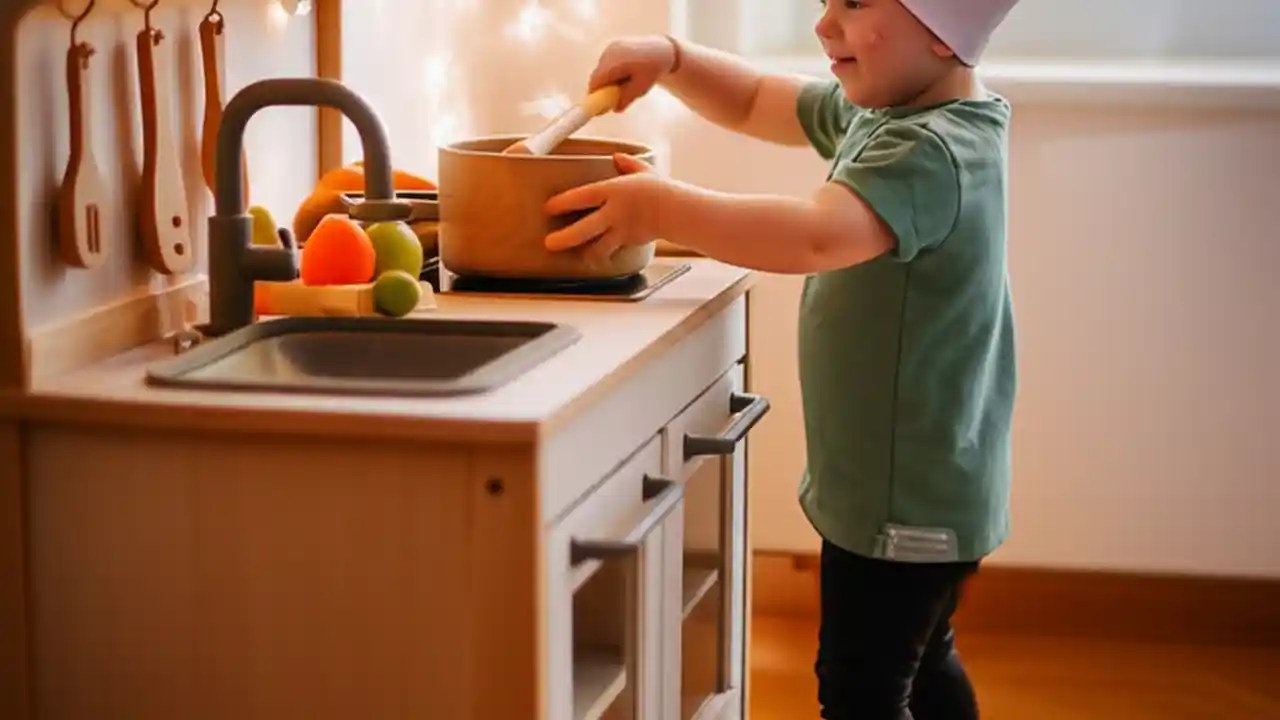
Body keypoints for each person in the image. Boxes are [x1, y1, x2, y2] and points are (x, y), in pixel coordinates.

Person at [544, 0, 1020, 717]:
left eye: (855, 4)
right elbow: (760, 100)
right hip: (926, 480)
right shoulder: (894, 114)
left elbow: (816, 237)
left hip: (904, 499)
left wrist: (663, 208)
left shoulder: (930, 150)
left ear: (944, 33)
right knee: (919, 660)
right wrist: (673, 58)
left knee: (864, 687)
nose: (824, 24)